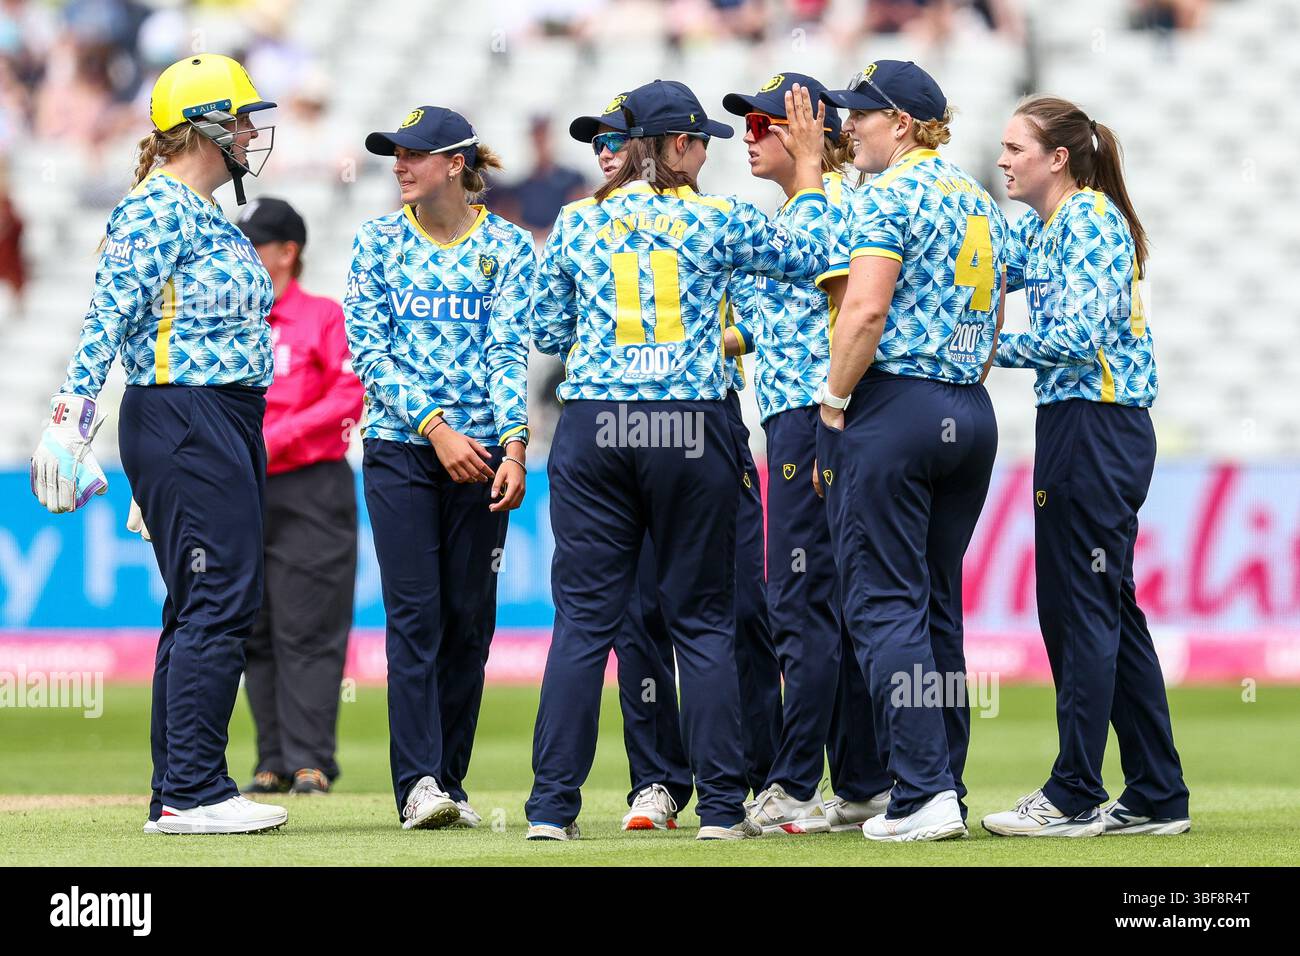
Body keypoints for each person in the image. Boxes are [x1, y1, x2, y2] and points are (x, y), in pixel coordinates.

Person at [525, 78, 831, 842]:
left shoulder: (575, 220)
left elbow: (547, 329)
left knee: (583, 625)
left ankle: (551, 810)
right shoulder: (716, 219)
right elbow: (815, 256)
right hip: (687, 423)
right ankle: (723, 810)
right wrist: (814, 171)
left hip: (595, 423)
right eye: (697, 141)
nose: (703, 153)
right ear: (675, 147)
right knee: (702, 622)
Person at [30, 53, 284, 834]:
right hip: (186, 415)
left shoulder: (203, 212)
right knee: (218, 599)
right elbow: (108, 315)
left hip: (215, 420)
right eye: (238, 118)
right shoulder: (157, 210)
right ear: (205, 125)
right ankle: (194, 791)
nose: (249, 132)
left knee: (199, 601)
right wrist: (71, 422)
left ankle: (179, 785)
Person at [981, 96, 1190, 838]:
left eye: (1014, 149)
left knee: (1080, 607)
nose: (1003, 161)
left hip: (1097, 424)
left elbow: (1079, 333)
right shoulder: (1053, 226)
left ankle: (1074, 790)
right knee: (1107, 608)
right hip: (1083, 423)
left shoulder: (1090, 221)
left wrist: (977, 352)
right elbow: (993, 267)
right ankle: (1157, 791)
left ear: (1058, 157)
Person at [814, 60, 1007, 842]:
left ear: (902, 123)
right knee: (936, 606)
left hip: (897, 406)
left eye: (861, 113)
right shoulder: (977, 199)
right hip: (968, 410)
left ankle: (922, 791)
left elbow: (863, 311)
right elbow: (991, 319)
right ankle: (944, 784)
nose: (847, 125)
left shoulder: (888, 196)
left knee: (885, 603)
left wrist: (832, 398)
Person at [344, 105, 532, 831]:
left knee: (469, 622)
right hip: (400, 448)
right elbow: (369, 350)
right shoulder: (377, 241)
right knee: (415, 615)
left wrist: (513, 446)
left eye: (414, 155)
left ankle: (447, 780)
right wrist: (435, 428)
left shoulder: (510, 247)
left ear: (455, 163)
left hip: (483, 455)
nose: (399, 165)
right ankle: (417, 783)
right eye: (394, 154)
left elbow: (507, 351)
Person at [720, 71, 893, 834]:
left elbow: (843, 301)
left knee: (802, 604)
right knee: (830, 603)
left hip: (817, 419)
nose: (752, 138)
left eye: (768, 123)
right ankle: (860, 781)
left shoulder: (840, 207)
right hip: (797, 419)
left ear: (810, 130)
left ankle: (795, 786)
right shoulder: (789, 213)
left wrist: (819, 170)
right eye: (748, 125)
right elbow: (764, 323)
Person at [236, 197, 364, 798]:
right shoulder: (228, 321)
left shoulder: (322, 317)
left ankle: (311, 759)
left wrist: (272, 438)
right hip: (244, 484)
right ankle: (272, 758)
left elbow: (348, 395)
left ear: (288, 252)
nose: (244, 254)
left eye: (256, 244)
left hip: (310, 484)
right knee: (252, 624)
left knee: (307, 623)